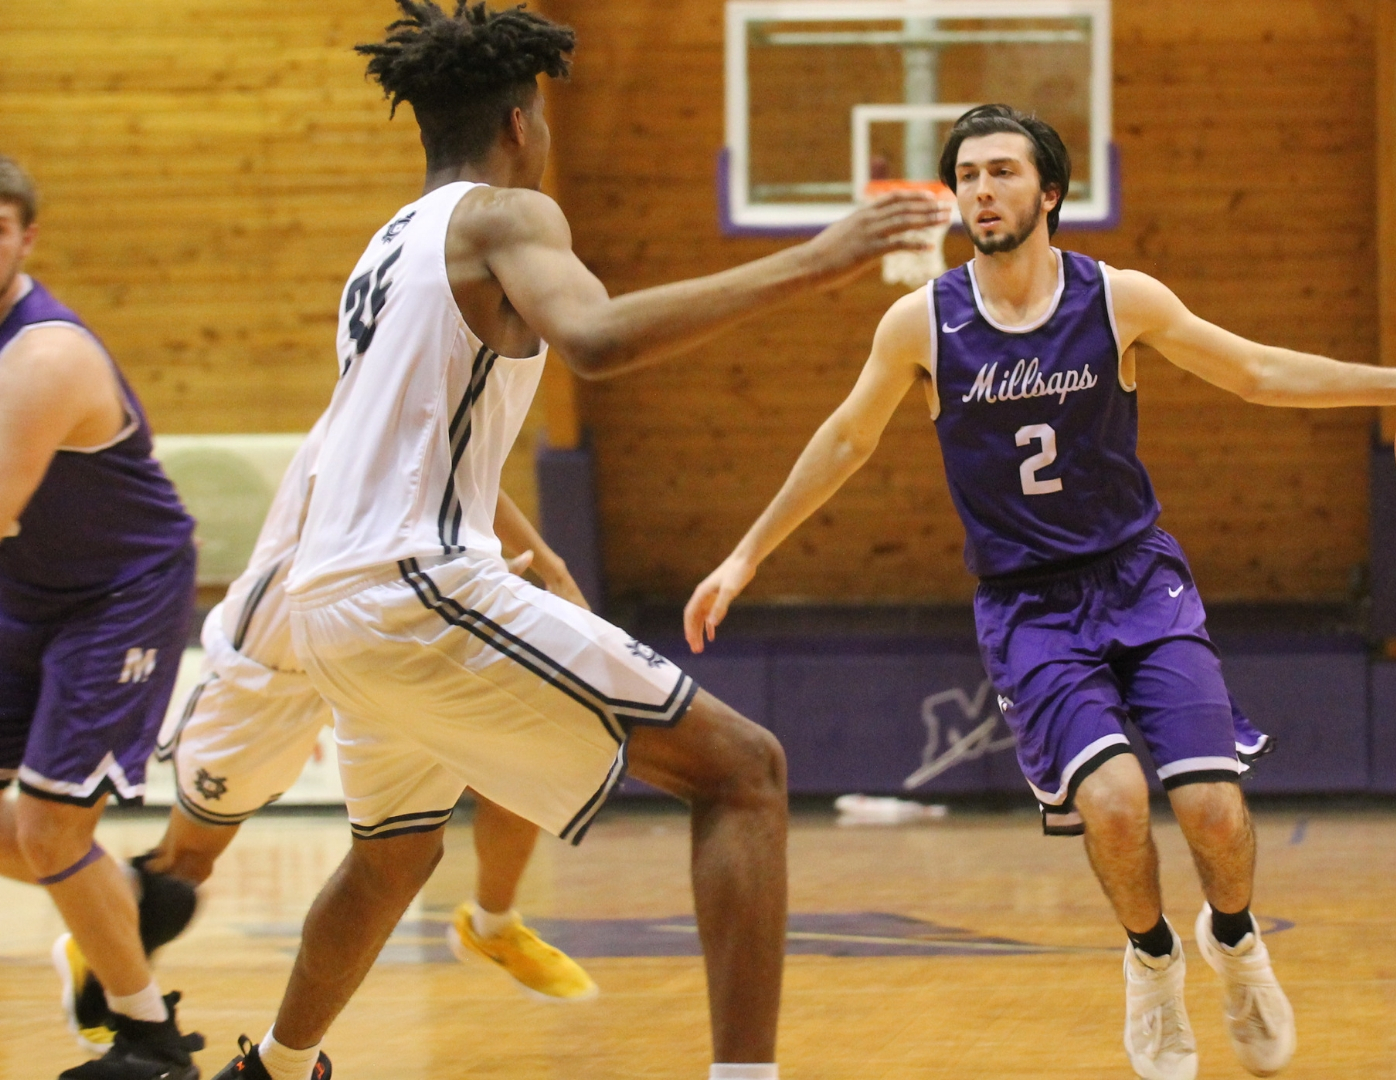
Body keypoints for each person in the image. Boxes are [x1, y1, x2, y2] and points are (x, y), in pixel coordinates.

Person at [209, 3, 950, 1079]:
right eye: (544, 120)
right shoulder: (507, 218)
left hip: (326, 605)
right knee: (744, 773)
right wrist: (815, 261)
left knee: (391, 853)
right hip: (409, 587)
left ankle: (273, 1068)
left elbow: (408, 442)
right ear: (519, 124)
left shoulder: (384, 249)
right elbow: (596, 339)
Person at [683, 104, 1396, 1080]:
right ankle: (1149, 963)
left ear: (1049, 192)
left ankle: (1237, 941)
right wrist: (746, 554)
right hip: (1028, 606)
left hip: (1138, 578)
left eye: (1003, 171)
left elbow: (1258, 371)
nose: (982, 189)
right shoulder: (923, 321)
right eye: (967, 174)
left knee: (1214, 811)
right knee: (1111, 800)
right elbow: (847, 438)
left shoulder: (1118, 301)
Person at [52, 414, 604, 1063]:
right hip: (275, 663)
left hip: (382, 630)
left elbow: (463, 478)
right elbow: (370, 521)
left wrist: (549, 571)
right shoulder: (368, 399)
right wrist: (468, 567)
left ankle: (492, 925)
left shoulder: (445, 393)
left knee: (518, 752)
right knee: (184, 873)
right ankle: (104, 926)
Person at [0, 154, 207, 1080]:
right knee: (53, 845)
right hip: (23, 590)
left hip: (118, 593)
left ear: (26, 237)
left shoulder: (45, 353)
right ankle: (125, 898)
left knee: (48, 829)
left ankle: (148, 1038)